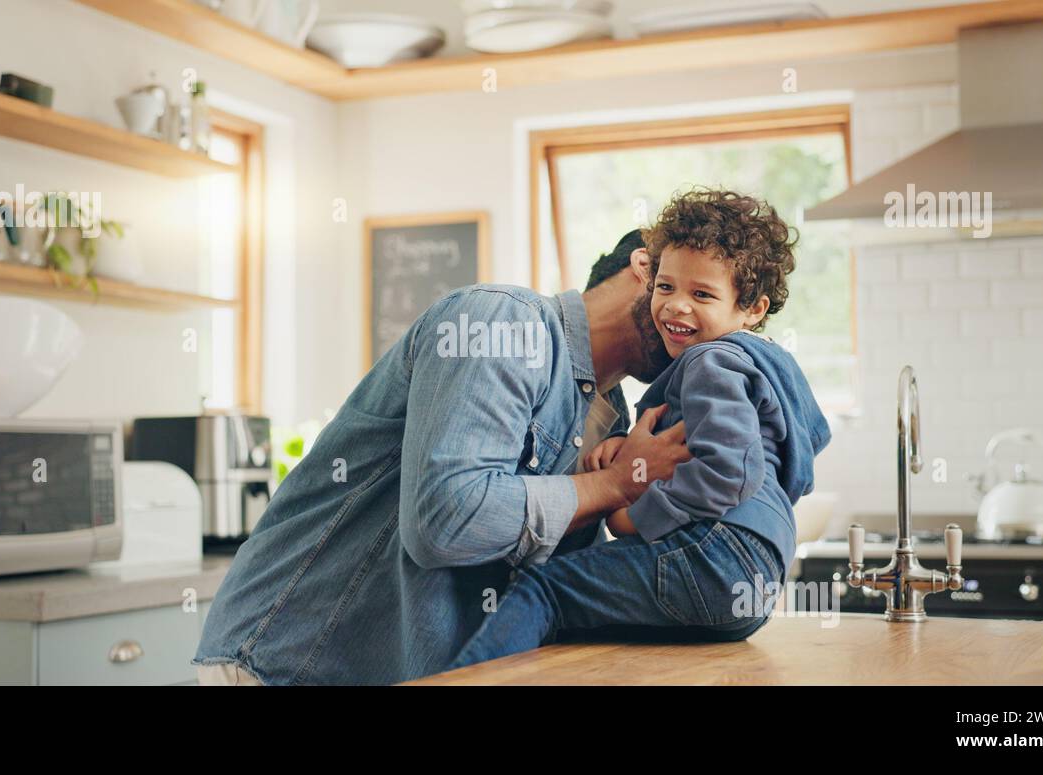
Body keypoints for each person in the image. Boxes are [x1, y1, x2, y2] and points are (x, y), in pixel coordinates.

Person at [194, 228, 689, 685]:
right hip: (291, 663)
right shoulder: (501, 322)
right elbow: (446, 520)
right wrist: (612, 485)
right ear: (644, 266)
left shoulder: (617, 423)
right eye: (684, 289)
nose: (695, 322)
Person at [448, 188, 832, 669]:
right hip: (755, 582)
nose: (676, 306)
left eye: (702, 295)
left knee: (543, 588)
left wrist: (637, 516)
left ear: (753, 309)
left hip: (714, 555)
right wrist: (619, 450)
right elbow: (776, 463)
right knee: (579, 615)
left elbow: (728, 472)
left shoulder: (713, 361)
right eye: (666, 288)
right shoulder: (767, 371)